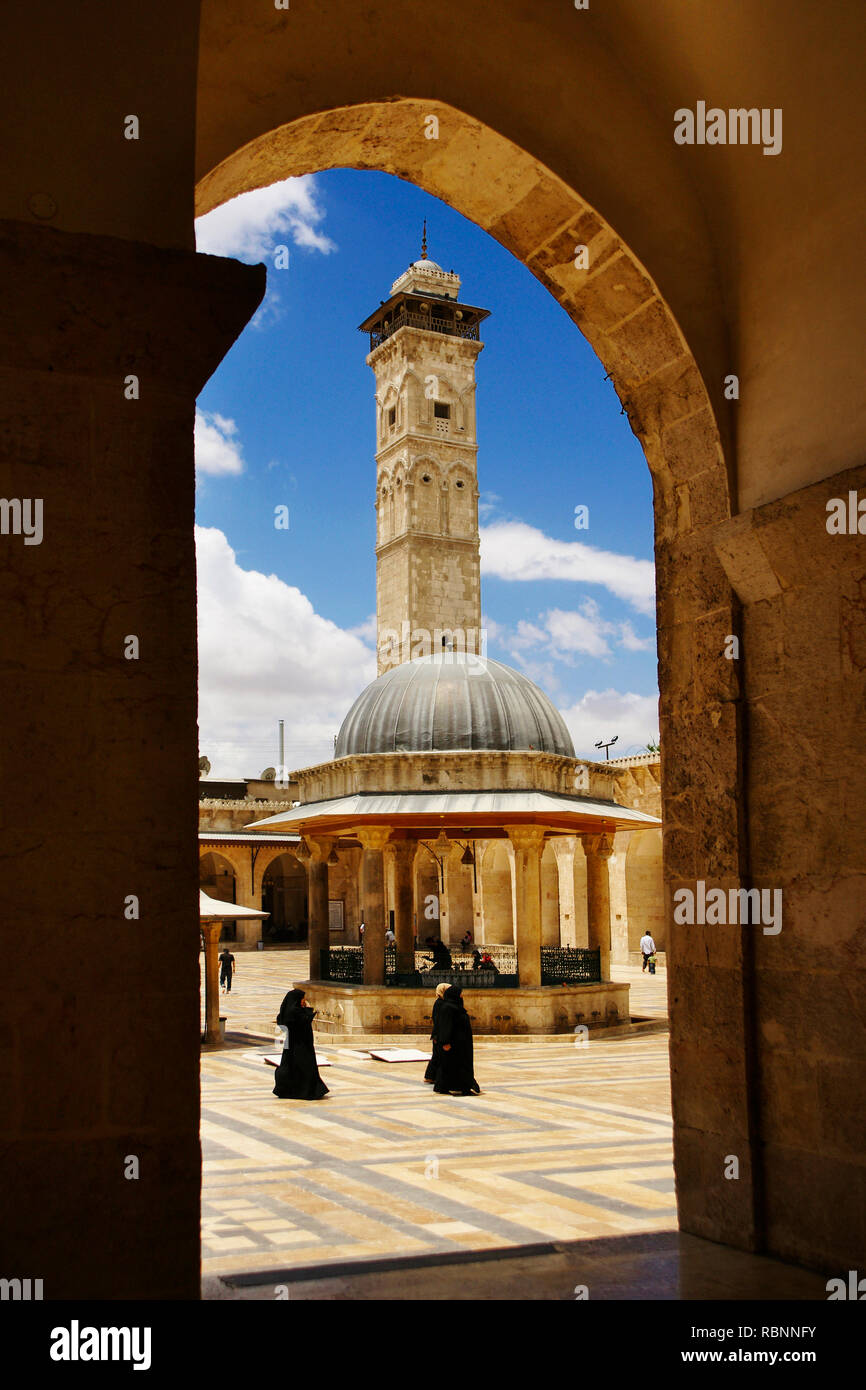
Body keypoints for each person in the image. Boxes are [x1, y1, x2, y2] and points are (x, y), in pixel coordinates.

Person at [272, 988, 329, 1100]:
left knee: (293, 1066)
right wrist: (308, 1009)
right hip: (300, 1045)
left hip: (295, 1044)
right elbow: (305, 1019)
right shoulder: (294, 1012)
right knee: (304, 1066)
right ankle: (306, 1091)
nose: (304, 1000)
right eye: (303, 998)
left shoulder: (290, 1011)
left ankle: (294, 1090)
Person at [433, 985, 480, 1096]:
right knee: (450, 1065)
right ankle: (449, 1087)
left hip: (461, 1043)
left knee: (458, 1065)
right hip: (454, 1043)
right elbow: (445, 1026)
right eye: (460, 993)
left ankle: (461, 1086)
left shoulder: (456, 1006)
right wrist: (445, 1042)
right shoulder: (448, 1008)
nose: (461, 996)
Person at [424, 982, 449, 1084]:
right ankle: (430, 1076)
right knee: (437, 1056)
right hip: (438, 1035)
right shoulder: (440, 1003)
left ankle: (432, 1076)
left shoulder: (442, 1002)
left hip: (438, 1034)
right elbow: (438, 1021)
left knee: (437, 1056)